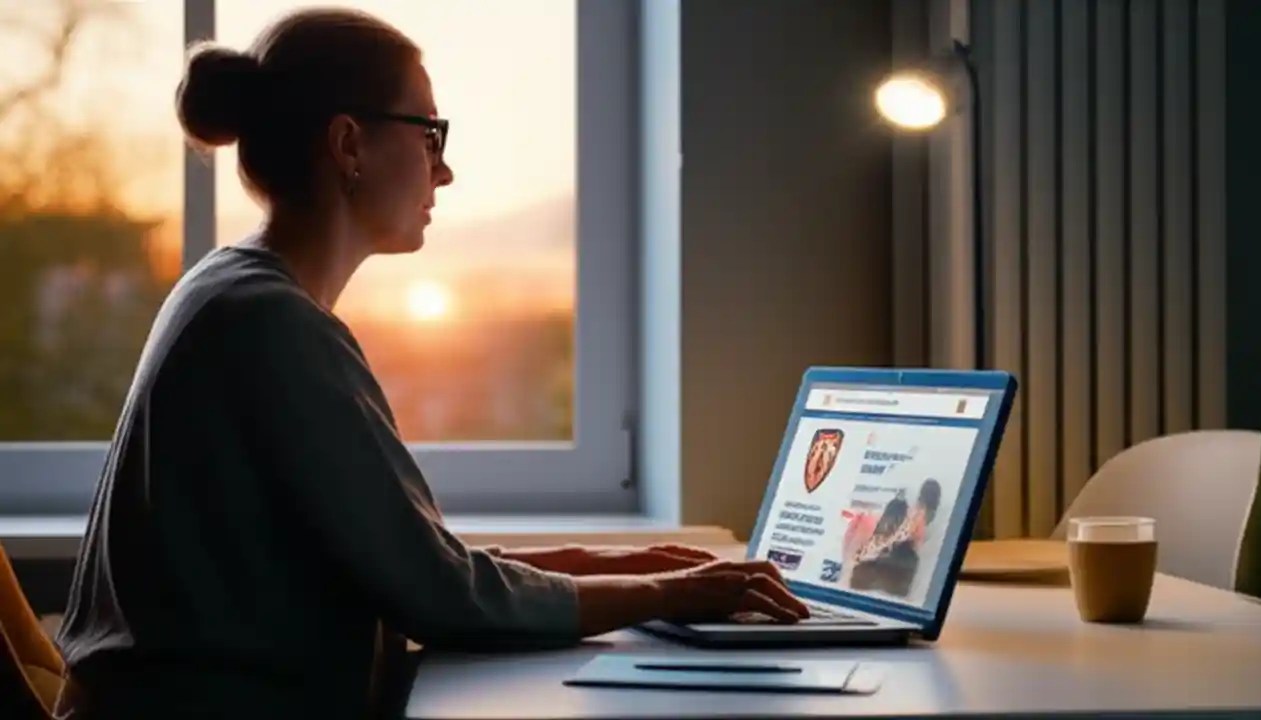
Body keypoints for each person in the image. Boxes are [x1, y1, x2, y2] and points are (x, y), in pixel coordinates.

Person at [52, 9, 807, 719]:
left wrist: (603, 565)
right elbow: (442, 598)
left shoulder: (228, 286)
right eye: (429, 135)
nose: (443, 173)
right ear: (349, 145)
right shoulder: (272, 323)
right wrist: (669, 594)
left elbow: (401, 560)